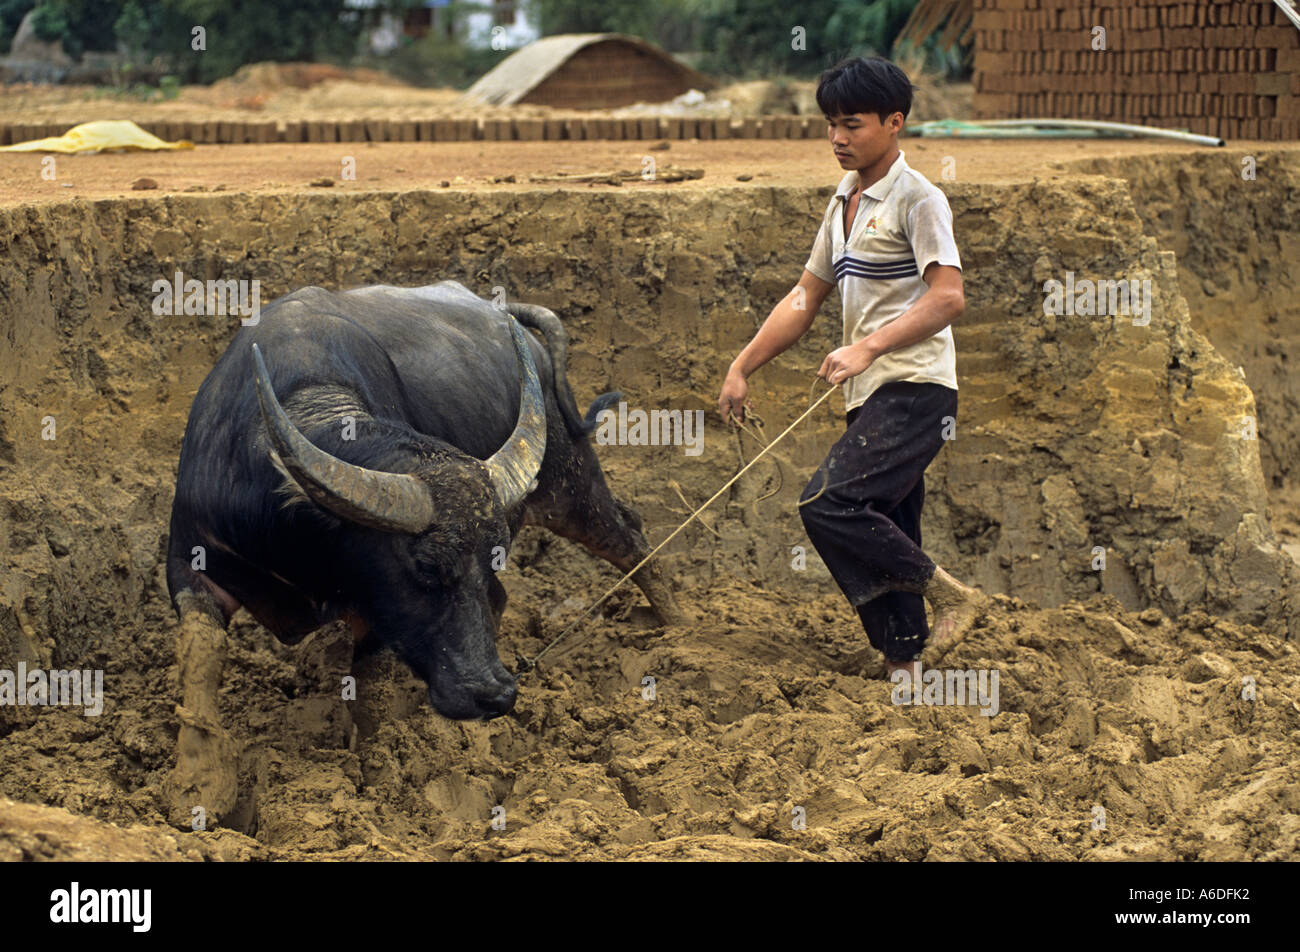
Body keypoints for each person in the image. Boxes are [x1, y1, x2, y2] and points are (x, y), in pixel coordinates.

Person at [716, 55, 988, 681]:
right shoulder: (843, 200)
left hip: (916, 389)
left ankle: (952, 597)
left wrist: (868, 347)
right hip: (868, 394)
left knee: (831, 503)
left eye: (853, 125)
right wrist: (742, 365)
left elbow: (948, 297)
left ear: (895, 123)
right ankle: (905, 664)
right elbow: (804, 298)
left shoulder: (919, 200)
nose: (838, 138)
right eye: (831, 125)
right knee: (888, 521)